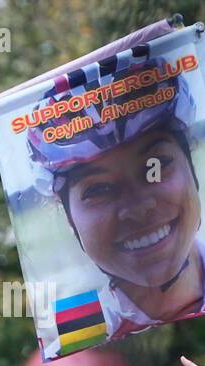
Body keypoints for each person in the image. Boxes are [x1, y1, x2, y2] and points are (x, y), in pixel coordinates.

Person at [27, 55, 203, 345]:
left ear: (191, 164)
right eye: (97, 190)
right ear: (68, 217)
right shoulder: (73, 334)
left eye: (154, 167)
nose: (137, 208)